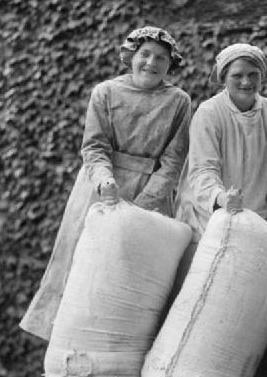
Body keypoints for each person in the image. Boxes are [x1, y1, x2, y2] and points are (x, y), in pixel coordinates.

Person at [20, 26, 191, 340]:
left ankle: (124, 355)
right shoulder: (105, 92)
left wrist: (140, 207)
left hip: (150, 196)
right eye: (145, 54)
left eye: (161, 58)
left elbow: (173, 160)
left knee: (135, 274)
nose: (151, 63)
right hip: (100, 190)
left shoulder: (179, 101)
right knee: (84, 267)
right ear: (130, 57)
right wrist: (105, 182)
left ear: (171, 64)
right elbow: (94, 147)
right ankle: (68, 348)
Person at [176, 43, 267, 235]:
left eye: (253, 74)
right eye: (237, 76)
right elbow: (202, 170)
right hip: (209, 218)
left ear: (262, 76)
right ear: (224, 78)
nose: (246, 82)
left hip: (257, 219)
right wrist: (222, 198)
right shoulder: (209, 112)